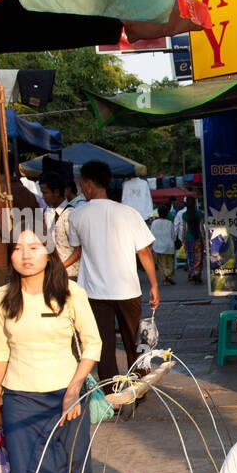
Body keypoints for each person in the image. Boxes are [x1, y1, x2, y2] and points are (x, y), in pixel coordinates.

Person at [0, 229, 100, 473]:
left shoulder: (70, 293)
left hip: (66, 394)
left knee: (72, 469)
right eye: (18, 248)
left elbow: (92, 344)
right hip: (19, 398)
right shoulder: (2, 298)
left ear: (49, 253)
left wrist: (74, 388)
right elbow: (0, 352)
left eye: (34, 247)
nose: (25, 254)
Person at [67, 160, 160, 385]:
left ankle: (111, 392)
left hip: (94, 293)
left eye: (82, 185)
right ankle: (139, 387)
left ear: (88, 184)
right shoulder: (128, 213)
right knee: (134, 342)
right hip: (127, 289)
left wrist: (60, 266)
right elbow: (144, 252)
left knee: (103, 345)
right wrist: (154, 284)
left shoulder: (77, 216)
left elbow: (78, 250)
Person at [0, 161, 42, 294]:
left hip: (4, 259)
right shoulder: (27, 193)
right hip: (25, 258)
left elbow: (4, 228)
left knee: (2, 306)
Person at [40, 175, 79, 280]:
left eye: (45, 193)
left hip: (69, 274)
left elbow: (79, 250)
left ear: (56, 192)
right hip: (53, 272)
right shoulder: (47, 212)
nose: (43, 197)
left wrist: (61, 267)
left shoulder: (70, 214)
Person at [150, 203, 177, 285]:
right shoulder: (169, 223)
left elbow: (151, 235)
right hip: (169, 246)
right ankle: (169, 275)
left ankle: (164, 279)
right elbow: (173, 235)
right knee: (169, 262)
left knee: (161, 263)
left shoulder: (154, 223)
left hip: (158, 246)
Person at [182, 199, 204, 284]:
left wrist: (183, 239)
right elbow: (202, 228)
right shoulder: (200, 213)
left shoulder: (185, 215)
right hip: (198, 238)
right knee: (199, 258)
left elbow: (184, 229)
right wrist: (205, 239)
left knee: (191, 257)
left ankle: (192, 274)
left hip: (188, 238)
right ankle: (197, 274)